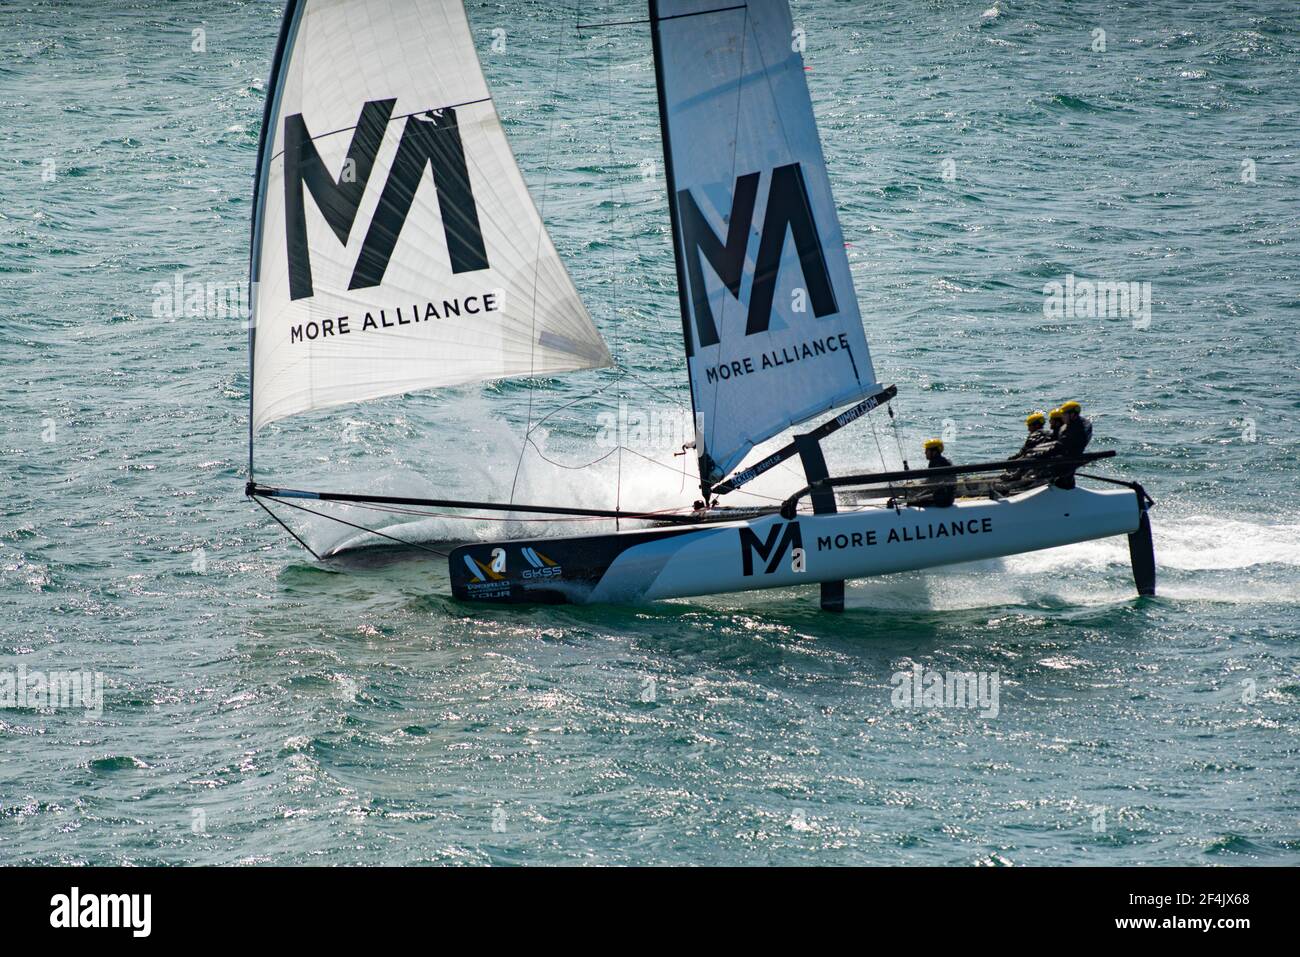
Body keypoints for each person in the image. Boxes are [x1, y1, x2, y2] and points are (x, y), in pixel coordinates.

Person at [1054, 400, 1093, 488]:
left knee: (1065, 473)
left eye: (1064, 414)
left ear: (1072, 415)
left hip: (1070, 459)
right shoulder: (1069, 425)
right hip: (1067, 458)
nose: (1062, 417)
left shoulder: (1081, 429)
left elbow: (1068, 446)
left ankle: (1065, 487)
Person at [911, 438, 956, 507]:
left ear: (934, 452)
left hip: (942, 500)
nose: (925, 452)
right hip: (949, 498)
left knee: (912, 500)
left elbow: (931, 483)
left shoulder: (936, 463)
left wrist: (917, 487)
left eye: (927, 450)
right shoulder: (944, 461)